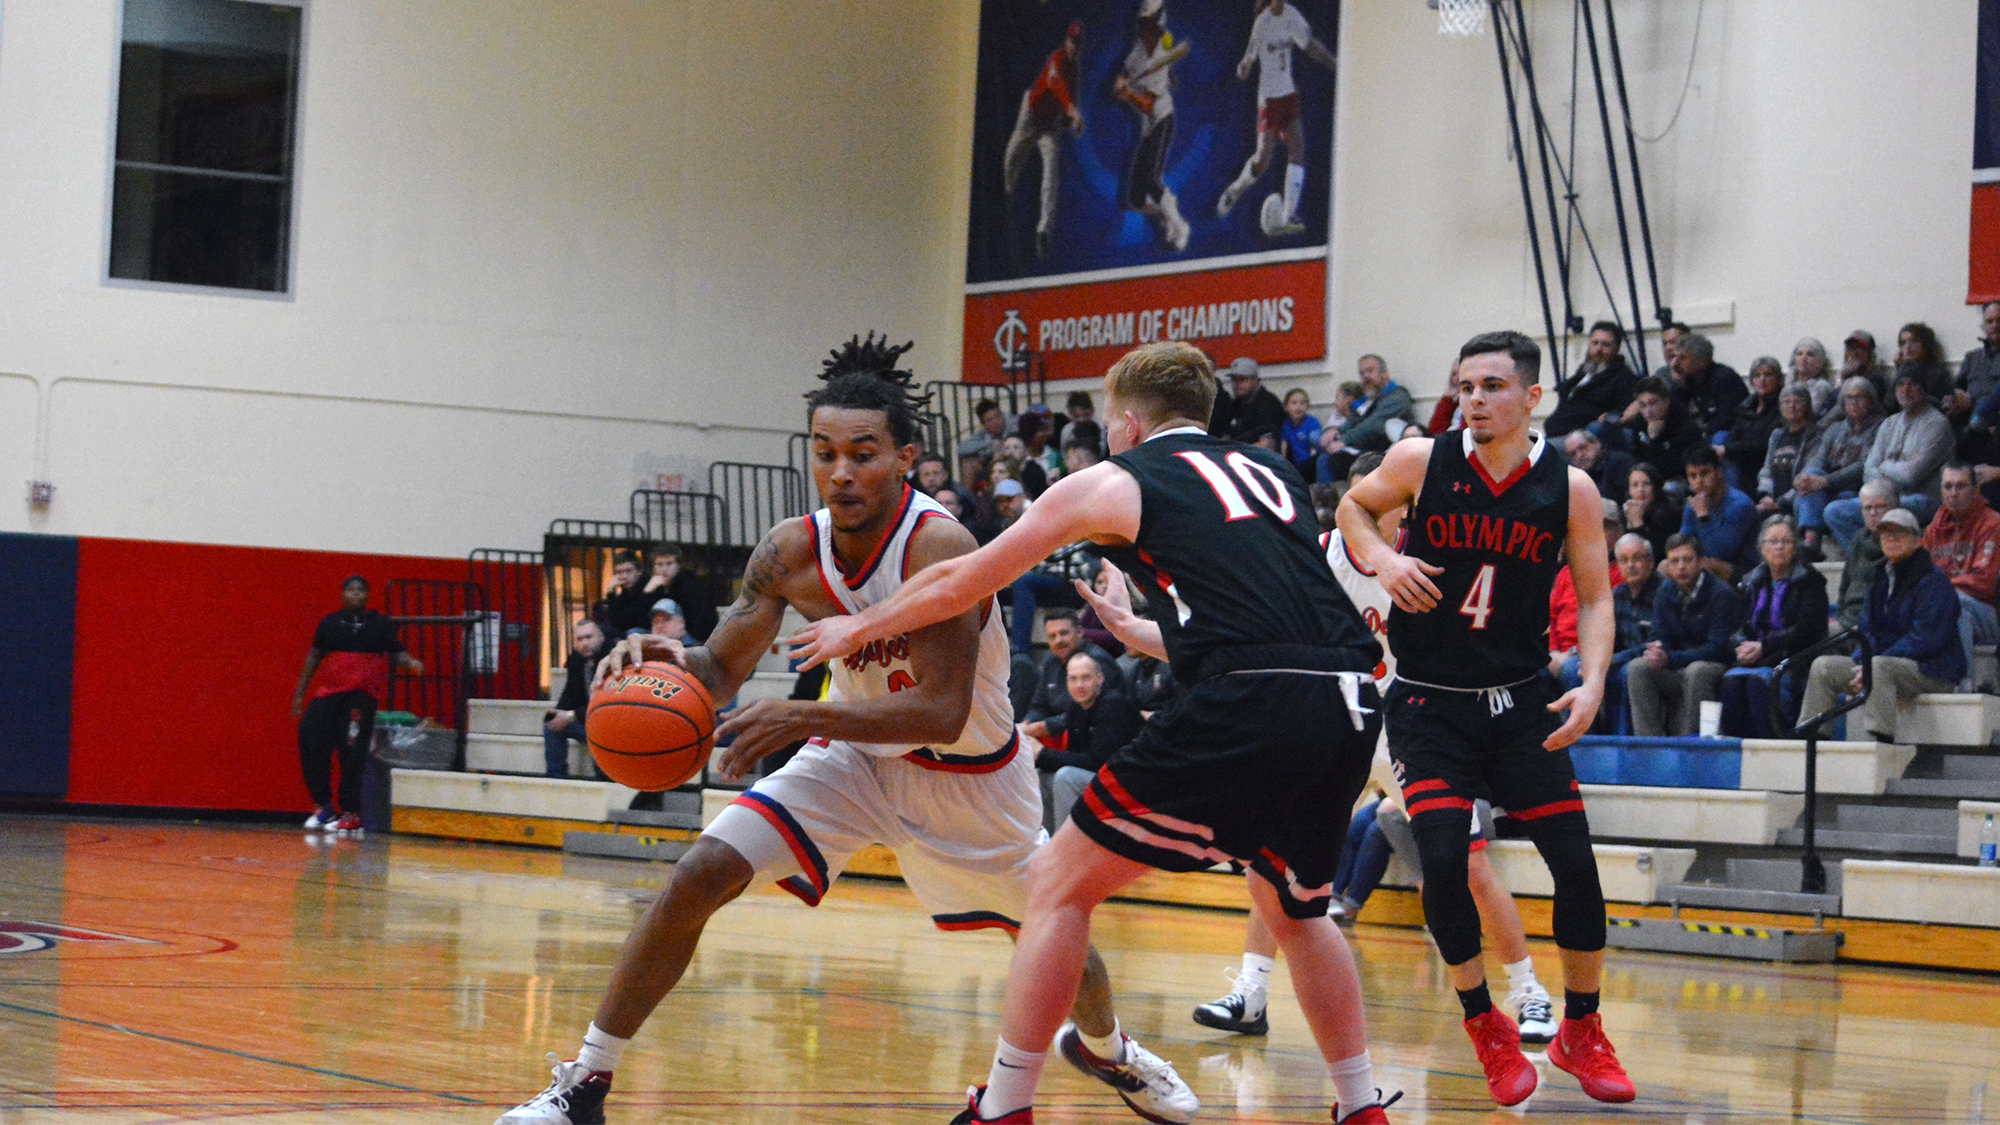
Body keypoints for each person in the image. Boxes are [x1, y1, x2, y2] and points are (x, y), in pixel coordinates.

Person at [496, 335, 1193, 1125]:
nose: (841, 472)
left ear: (904, 457)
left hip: (970, 775)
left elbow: (940, 710)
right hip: (853, 757)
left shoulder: (939, 544)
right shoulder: (790, 550)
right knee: (697, 875)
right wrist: (663, 661)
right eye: (826, 453)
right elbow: (720, 668)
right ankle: (583, 1085)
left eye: (863, 454)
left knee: (1055, 934)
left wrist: (801, 714)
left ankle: (1108, 1047)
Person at [792, 340, 1399, 1125]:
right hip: (1346, 698)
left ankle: (1005, 1105)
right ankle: (1361, 1105)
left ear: (1126, 422)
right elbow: (1263, 621)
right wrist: (1137, 630)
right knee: (1297, 910)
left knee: (1055, 885)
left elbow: (965, 577)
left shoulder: (1118, 478)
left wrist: (859, 626)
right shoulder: (1272, 471)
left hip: (1249, 699)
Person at [1337, 330, 1632, 1107]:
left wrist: (1594, 681)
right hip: (1429, 702)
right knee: (1443, 861)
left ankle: (1582, 1026)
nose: (1474, 399)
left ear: (1532, 398)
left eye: (1493, 386)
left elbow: (1595, 597)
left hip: (1519, 701)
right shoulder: (1419, 460)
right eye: (1465, 385)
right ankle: (1485, 1022)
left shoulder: (1569, 488)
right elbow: (1353, 506)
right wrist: (1384, 559)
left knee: (1576, 864)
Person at [1179, 451, 1557, 1047]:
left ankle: (1530, 994)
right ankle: (1251, 993)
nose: (1367, 510)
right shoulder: (1317, 555)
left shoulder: (1435, 557)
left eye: (1381, 499)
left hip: (1411, 723)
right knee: (1274, 858)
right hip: (1334, 716)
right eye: (1359, 499)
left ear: (1404, 508)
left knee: (1470, 865)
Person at [1798, 508, 1964, 743]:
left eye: (1899, 533)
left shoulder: (1933, 580)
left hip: (1934, 671)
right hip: (1884, 665)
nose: (1891, 539)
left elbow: (1927, 638)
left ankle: (1881, 743)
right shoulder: (1880, 577)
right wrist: (1861, 662)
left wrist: (1871, 664)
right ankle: (1813, 740)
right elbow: (1867, 630)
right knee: (1823, 667)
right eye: (1886, 534)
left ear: (1917, 540)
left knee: (1878, 667)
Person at [291, 576, 422, 833]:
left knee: (351, 751)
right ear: (342, 594)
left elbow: (397, 653)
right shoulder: (329, 623)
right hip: (329, 693)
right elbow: (314, 657)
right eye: (350, 590)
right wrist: (299, 695)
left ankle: (351, 812)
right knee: (310, 737)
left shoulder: (379, 624)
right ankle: (324, 806)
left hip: (360, 696)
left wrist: (412, 663)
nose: (355, 594)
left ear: (367, 595)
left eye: (360, 590)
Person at [1215, 0, 1335, 236]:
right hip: (1269, 100)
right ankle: (1236, 189)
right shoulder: (1262, 23)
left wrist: (1335, 63)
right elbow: (1249, 55)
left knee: (1298, 150)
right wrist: (1244, 66)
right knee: (1262, 159)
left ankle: (1289, 214)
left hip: (1288, 95)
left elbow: (1310, 46)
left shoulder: (1292, 15)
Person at [1717, 517, 1828, 738]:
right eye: (1773, 541)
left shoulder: (1811, 581)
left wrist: (1764, 648)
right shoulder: (1751, 581)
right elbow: (1736, 626)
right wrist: (1741, 647)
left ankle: (1772, 744)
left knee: (1757, 682)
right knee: (1732, 681)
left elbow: (1807, 631)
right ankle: (1734, 749)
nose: (1779, 547)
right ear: (1763, 548)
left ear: (1795, 548)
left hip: (1791, 658)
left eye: (1786, 542)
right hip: (1756, 658)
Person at [1824, 369, 1954, 553]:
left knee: (1882, 508)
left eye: (1912, 384)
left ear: (1924, 390)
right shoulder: (1889, 423)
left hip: (1923, 499)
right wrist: (1890, 474)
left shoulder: (1937, 424)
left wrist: (1885, 465)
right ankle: (1870, 557)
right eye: (1900, 384)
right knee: (1834, 511)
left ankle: (1883, 555)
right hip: (1885, 496)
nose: (1906, 390)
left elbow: (1911, 476)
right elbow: (1868, 471)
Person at [1623, 534, 1734, 738]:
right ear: (1667, 566)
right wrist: (1657, 652)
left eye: (1687, 560)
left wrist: (1670, 658)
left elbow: (1718, 648)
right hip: (1676, 666)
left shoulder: (1721, 593)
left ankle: (1690, 742)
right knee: (1638, 667)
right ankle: (1649, 742)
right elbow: (1657, 635)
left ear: (1700, 562)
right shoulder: (1665, 591)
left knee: (1696, 671)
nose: (1681, 567)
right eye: (1674, 561)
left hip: (1713, 666)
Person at [1025, 651, 1141, 832]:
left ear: (1099, 679)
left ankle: (1065, 846)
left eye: (1085, 678)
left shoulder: (1114, 705)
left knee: (1066, 777)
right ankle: (1047, 839)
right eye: (1073, 679)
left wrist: (1043, 753)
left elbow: (1097, 762)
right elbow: (1074, 755)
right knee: (1043, 777)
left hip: (1126, 781)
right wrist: (1037, 757)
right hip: (1099, 778)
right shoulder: (1076, 707)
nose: (1079, 685)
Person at [1113, 0, 1190, 252]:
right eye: (1143, 25)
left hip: (1163, 119)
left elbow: (1147, 105)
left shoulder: (1161, 59)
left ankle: (1181, 226)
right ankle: (1166, 210)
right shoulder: (1139, 49)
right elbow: (1126, 71)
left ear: (1157, 27)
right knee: (1135, 198)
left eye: (1149, 26)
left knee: (1151, 179)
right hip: (1148, 127)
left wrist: (1128, 95)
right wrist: (1121, 82)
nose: (1145, 31)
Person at [1003, 21, 1084, 258]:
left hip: (1049, 126)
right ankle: (1005, 194)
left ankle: (1043, 232)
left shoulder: (1075, 70)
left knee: (1051, 173)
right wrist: (1072, 112)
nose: (1074, 46)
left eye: (1078, 43)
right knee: (1011, 157)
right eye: (1072, 41)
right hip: (1030, 115)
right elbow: (1057, 87)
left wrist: (1072, 122)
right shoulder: (1057, 59)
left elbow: (1071, 100)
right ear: (1066, 41)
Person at [1924, 464, 2000, 689]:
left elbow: (1984, 583)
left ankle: (1961, 686)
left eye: (1961, 486)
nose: (1953, 493)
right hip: (1946, 608)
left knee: (1956, 604)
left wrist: (1941, 589)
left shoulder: (1993, 524)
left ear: (1975, 490)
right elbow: (1917, 578)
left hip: (1987, 613)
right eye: (1948, 486)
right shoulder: (1933, 530)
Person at [1793, 377, 1885, 556]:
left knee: (1811, 499)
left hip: (1858, 490)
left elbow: (1864, 466)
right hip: (1828, 489)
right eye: (1849, 398)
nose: (1854, 402)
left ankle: (1812, 540)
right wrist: (1804, 478)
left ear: (1871, 401)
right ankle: (1811, 541)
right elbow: (1818, 459)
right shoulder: (1835, 429)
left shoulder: (1881, 427)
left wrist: (1825, 481)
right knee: (1808, 482)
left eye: (1859, 397)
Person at [1318, 354, 1417, 481]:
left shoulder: (1397, 397)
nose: (1365, 376)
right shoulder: (1369, 399)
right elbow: (1353, 421)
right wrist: (1335, 430)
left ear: (1384, 374)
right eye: (1362, 373)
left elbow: (1373, 426)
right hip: (1365, 450)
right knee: (1320, 448)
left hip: (1386, 454)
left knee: (1326, 460)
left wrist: (1344, 440)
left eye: (1370, 371)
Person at [1605, 534, 1663, 734]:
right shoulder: (1617, 594)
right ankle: (1582, 741)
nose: (1630, 565)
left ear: (1651, 562)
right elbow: (1609, 640)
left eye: (1637, 558)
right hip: (1622, 659)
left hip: (1655, 662)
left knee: (1627, 671)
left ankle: (1624, 742)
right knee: (1574, 669)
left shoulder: (1664, 592)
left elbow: (1656, 642)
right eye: (1624, 560)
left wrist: (1613, 660)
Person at [1021, 610, 1121, 723]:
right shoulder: (1051, 662)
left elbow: (1091, 711)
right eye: (1052, 636)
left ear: (1079, 632)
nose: (1058, 640)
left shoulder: (1097, 661)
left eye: (1064, 633)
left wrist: (1046, 726)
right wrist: (1027, 723)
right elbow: (1038, 705)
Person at [1679, 446, 1759, 581]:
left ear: (1719, 472)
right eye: (1693, 476)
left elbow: (1720, 553)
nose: (1699, 481)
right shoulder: (1693, 505)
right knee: (1667, 566)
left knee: (1708, 565)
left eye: (1704, 473)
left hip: (1745, 571)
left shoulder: (1741, 505)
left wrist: (1703, 517)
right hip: (1708, 564)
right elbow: (1684, 543)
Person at [1546, 321, 1637, 439]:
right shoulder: (1582, 375)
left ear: (1616, 349)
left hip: (1584, 439)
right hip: (1556, 434)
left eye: (1605, 345)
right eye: (1595, 343)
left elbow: (1622, 415)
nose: (1598, 349)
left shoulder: (1623, 378)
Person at [543, 619, 606, 779]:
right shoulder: (576, 661)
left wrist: (570, 716)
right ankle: (556, 779)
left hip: (608, 725)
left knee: (601, 732)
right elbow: (569, 694)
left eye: (589, 637)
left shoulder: (611, 661)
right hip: (585, 721)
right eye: (580, 639)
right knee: (551, 722)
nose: (584, 643)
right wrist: (558, 714)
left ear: (601, 637)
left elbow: (604, 706)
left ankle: (604, 782)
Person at [1834, 481, 1897, 632]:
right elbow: (1845, 586)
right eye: (1867, 508)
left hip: (1875, 623)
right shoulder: (1858, 540)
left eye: (1879, 507)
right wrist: (1840, 617)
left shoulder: (1902, 544)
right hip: (1848, 617)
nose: (1873, 513)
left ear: (1894, 508)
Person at [1756, 384, 1823, 520]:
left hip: (1797, 499)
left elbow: (1807, 474)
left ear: (1806, 405)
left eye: (1797, 401)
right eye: (1786, 402)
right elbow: (1767, 469)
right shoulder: (1777, 435)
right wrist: (1766, 495)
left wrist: (1781, 502)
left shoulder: (1816, 435)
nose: (1791, 406)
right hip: (1772, 499)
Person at [1624, 375, 1705, 482]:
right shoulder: (1640, 421)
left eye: (1653, 403)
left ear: (1666, 401)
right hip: (1648, 478)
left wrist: (1655, 440)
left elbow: (1674, 468)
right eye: (1643, 405)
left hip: (1679, 479)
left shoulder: (1685, 425)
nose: (1648, 411)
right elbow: (1635, 454)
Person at [1669, 333, 1746, 442]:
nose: (1676, 363)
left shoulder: (1724, 378)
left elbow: (1728, 419)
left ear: (1702, 361)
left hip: (1731, 433)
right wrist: (1679, 385)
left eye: (1683, 358)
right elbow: (1675, 414)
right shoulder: (1687, 379)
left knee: (1720, 438)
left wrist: (1700, 432)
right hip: (1706, 432)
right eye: (1675, 357)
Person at [1724, 358, 1786, 488]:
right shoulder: (1746, 406)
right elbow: (1733, 437)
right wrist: (1728, 449)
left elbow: (1765, 445)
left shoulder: (1784, 406)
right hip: (1742, 458)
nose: (1762, 379)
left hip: (1767, 462)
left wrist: (1729, 450)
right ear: (1752, 381)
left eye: (1768, 375)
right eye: (1757, 376)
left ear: (1779, 379)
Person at [643, 546, 715, 644]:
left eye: (669, 564)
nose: (664, 569)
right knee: (635, 633)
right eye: (660, 564)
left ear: (678, 566)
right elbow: (642, 620)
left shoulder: (690, 585)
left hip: (693, 638)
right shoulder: (655, 586)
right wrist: (647, 592)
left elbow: (700, 621)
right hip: (666, 633)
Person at [1622, 461, 1681, 561]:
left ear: (1655, 487)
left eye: (1646, 484)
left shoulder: (1670, 513)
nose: (1640, 490)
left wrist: (1637, 524)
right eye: (1635, 485)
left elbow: (1654, 556)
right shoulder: (1627, 512)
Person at [1219, 356, 1285, 445]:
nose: (1237, 384)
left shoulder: (1268, 405)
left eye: (1242, 379)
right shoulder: (1234, 405)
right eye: (1234, 379)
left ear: (1256, 380)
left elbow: (1267, 445)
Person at [1564, 425, 1635, 504]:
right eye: (1573, 454)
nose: (1579, 455)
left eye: (1583, 448)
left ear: (1597, 443)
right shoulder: (1575, 478)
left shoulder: (1620, 462)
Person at [1893, 322, 1953, 406]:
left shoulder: (1936, 373)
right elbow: (1890, 405)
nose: (1908, 347)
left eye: (1914, 341)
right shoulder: (1902, 370)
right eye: (1903, 343)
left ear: (1925, 345)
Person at [599, 551, 658, 637]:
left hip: (650, 633)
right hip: (632, 634)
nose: (624, 576)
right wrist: (611, 592)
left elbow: (636, 620)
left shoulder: (650, 588)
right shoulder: (625, 594)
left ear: (639, 571)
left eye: (628, 571)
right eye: (619, 572)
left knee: (633, 633)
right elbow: (615, 622)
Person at [1790, 337, 1839, 419]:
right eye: (1799, 354)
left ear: (1820, 360)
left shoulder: (1821, 387)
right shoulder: (1790, 384)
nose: (1804, 358)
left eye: (1810, 354)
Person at [1280, 388, 1322, 478]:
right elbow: (1284, 447)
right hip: (1295, 465)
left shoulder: (1312, 423)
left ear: (1307, 406)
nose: (1298, 407)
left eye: (1302, 403)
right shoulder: (1287, 425)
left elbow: (1314, 449)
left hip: (1310, 463)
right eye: (1294, 403)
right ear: (1286, 407)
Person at [961, 398, 1012, 463]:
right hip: (994, 464)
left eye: (998, 416)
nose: (996, 422)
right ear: (984, 425)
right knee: (968, 462)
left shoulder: (1012, 425)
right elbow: (962, 448)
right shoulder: (983, 435)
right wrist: (990, 444)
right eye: (990, 420)